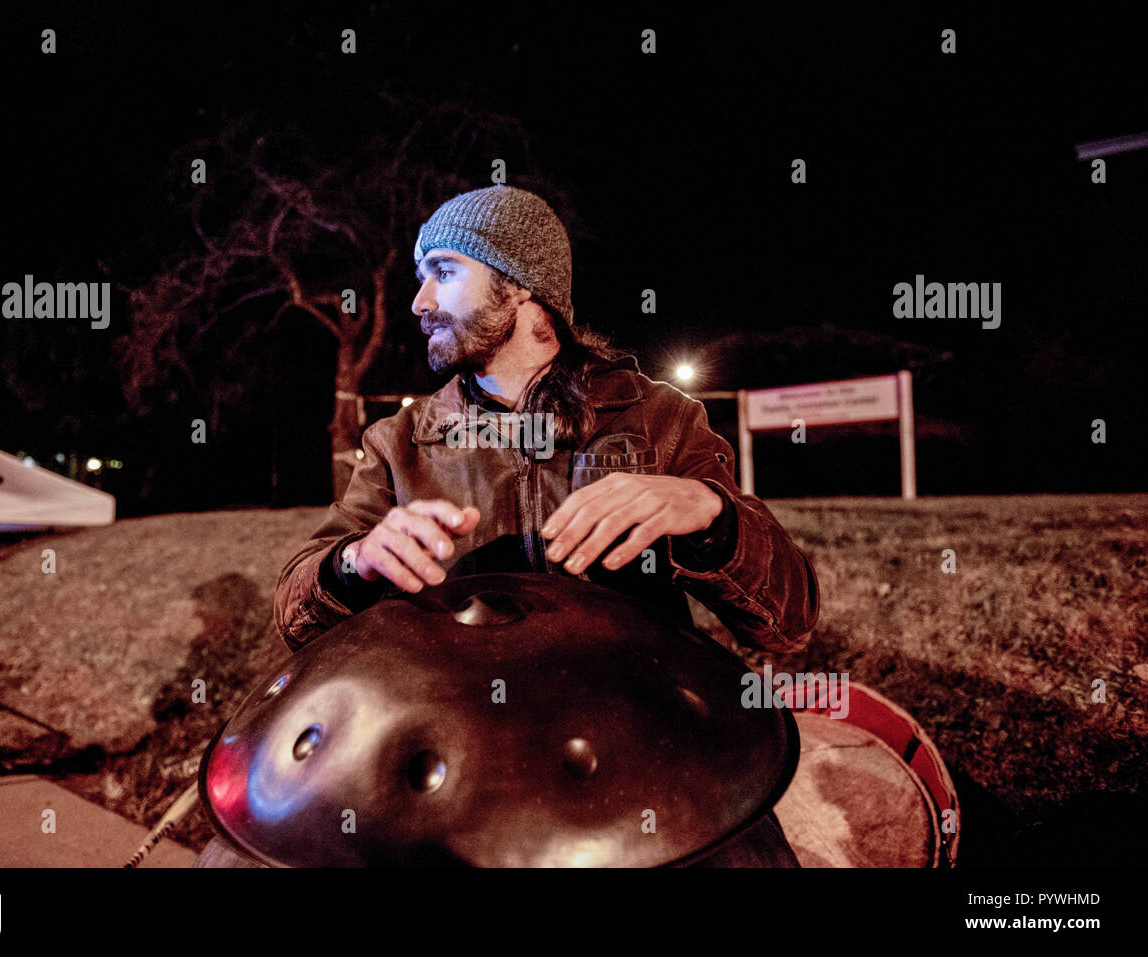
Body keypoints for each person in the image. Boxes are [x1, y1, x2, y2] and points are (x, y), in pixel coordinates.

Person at [197, 184, 819, 868]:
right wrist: (355, 561)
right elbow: (299, 617)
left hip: (634, 762)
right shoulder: (399, 442)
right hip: (451, 775)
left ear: (521, 288)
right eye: (419, 277)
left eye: (443, 271)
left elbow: (788, 622)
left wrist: (709, 514)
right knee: (231, 858)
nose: (419, 302)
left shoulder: (659, 419)